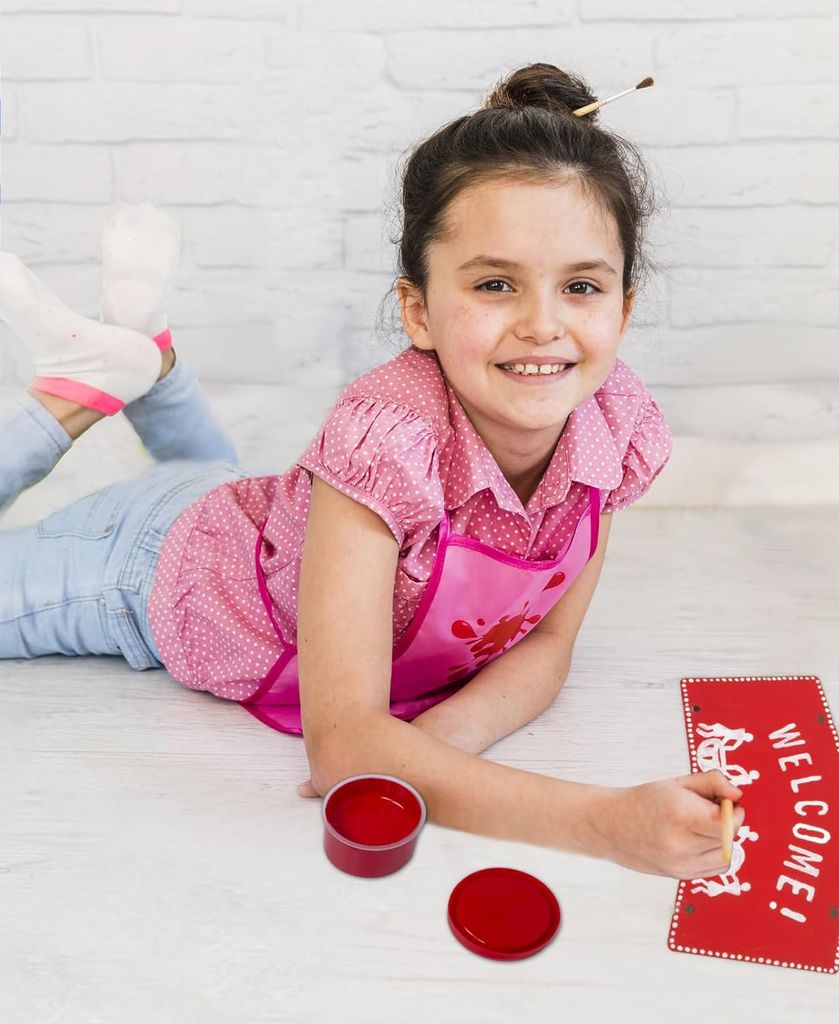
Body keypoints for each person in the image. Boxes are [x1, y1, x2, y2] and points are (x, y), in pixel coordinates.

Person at [0, 63, 744, 880]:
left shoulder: (611, 430)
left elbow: (550, 644)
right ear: (418, 310)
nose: (543, 325)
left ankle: (151, 360)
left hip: (250, 508)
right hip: (147, 566)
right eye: (495, 284)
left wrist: (427, 753)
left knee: (209, 471)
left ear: (623, 309)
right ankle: (79, 392)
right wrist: (601, 823)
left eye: (581, 286)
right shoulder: (387, 440)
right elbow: (345, 741)